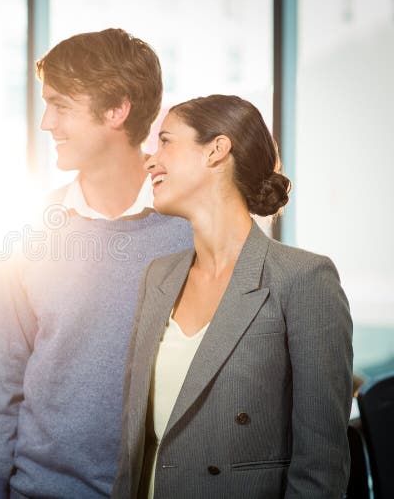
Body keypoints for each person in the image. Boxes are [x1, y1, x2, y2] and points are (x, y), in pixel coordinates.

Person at [0, 29, 192, 498]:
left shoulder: (191, 228)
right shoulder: (30, 228)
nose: (47, 122)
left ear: (117, 110)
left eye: (62, 105)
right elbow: (3, 374)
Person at [111, 95, 353, 498]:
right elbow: (135, 450)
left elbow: (321, 467)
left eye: (166, 142)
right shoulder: (159, 277)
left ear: (217, 150)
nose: (151, 160)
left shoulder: (304, 278)